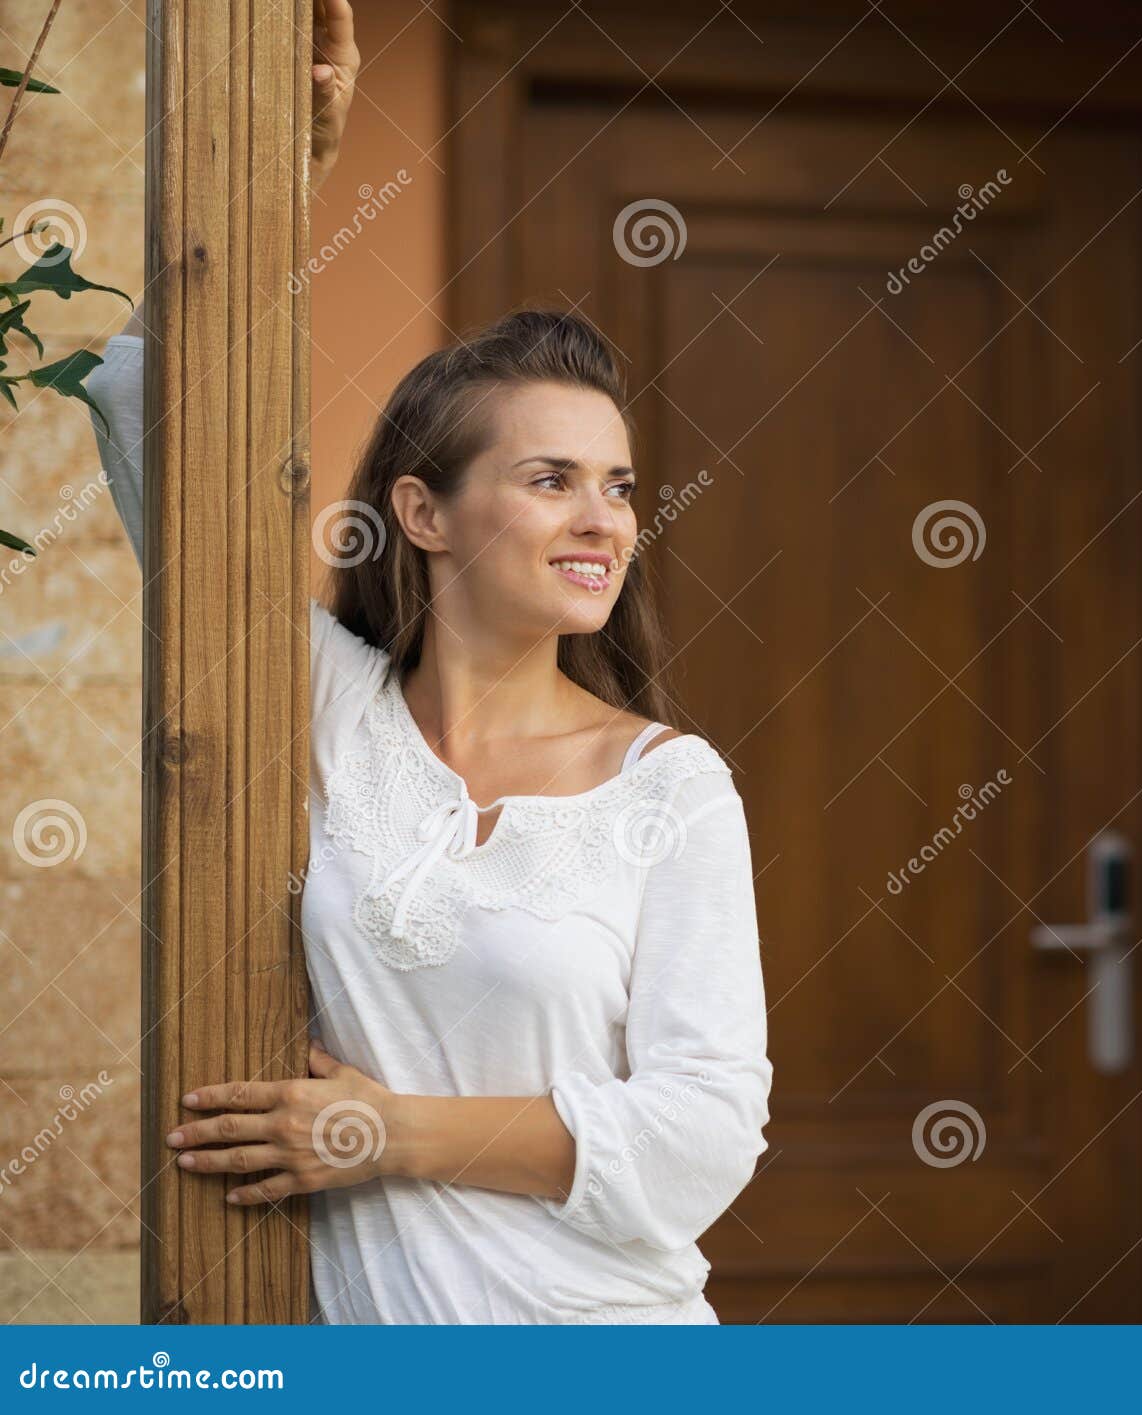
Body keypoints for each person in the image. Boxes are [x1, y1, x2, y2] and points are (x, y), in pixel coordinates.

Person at [85, 0, 771, 1325]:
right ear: (423, 511)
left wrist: (383, 1134)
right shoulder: (333, 718)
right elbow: (135, 411)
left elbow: (703, 1139)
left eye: (620, 487)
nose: (604, 519)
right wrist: (274, 175)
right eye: (551, 478)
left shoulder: (671, 791)